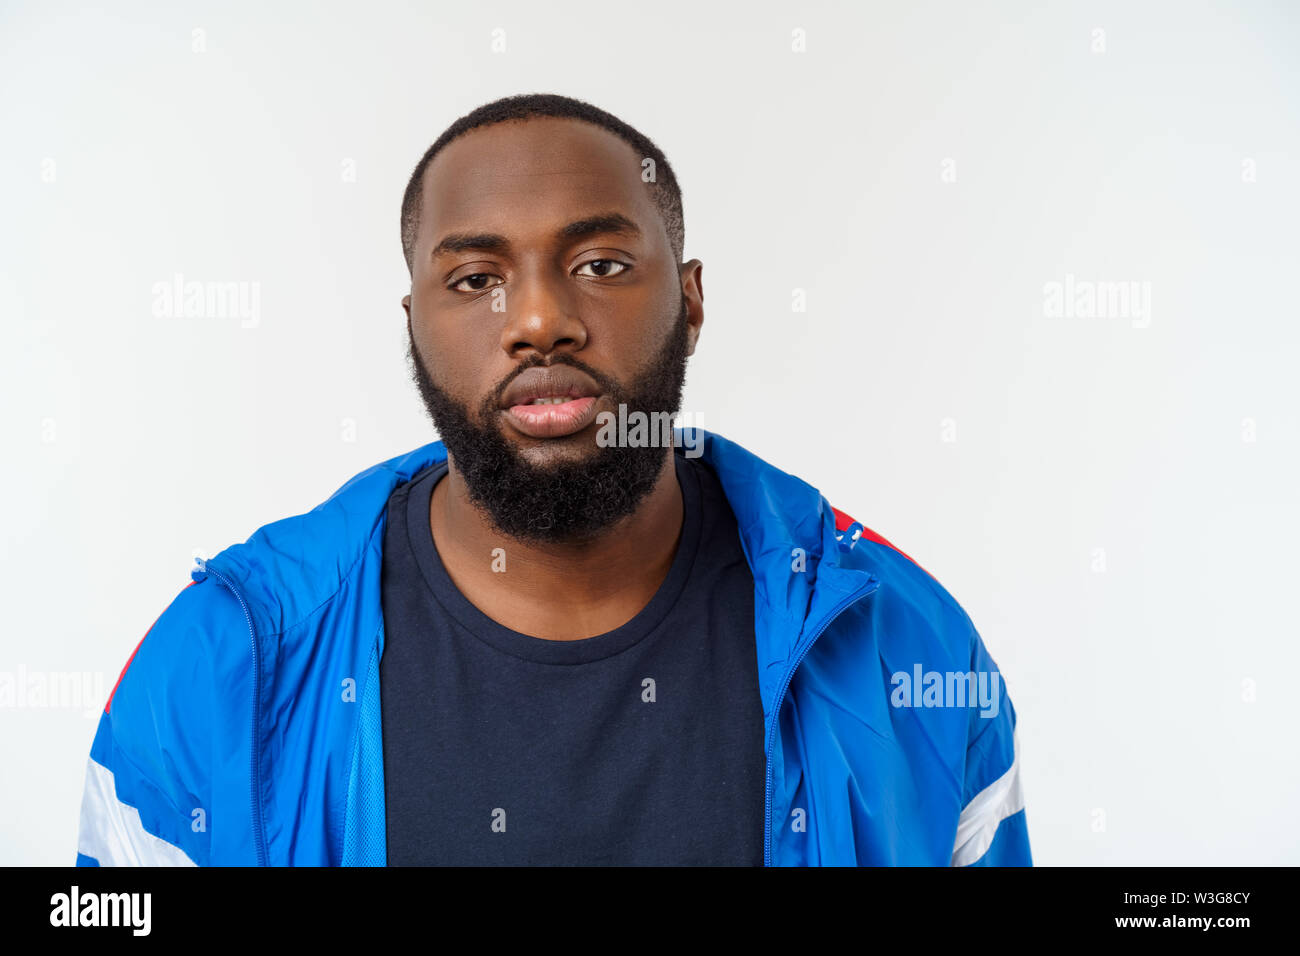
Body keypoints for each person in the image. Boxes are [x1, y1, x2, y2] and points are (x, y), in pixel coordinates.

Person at [76, 93, 1030, 866]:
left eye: (601, 263)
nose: (538, 319)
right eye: (473, 278)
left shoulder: (903, 643)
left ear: (690, 301)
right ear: (413, 323)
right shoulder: (223, 663)